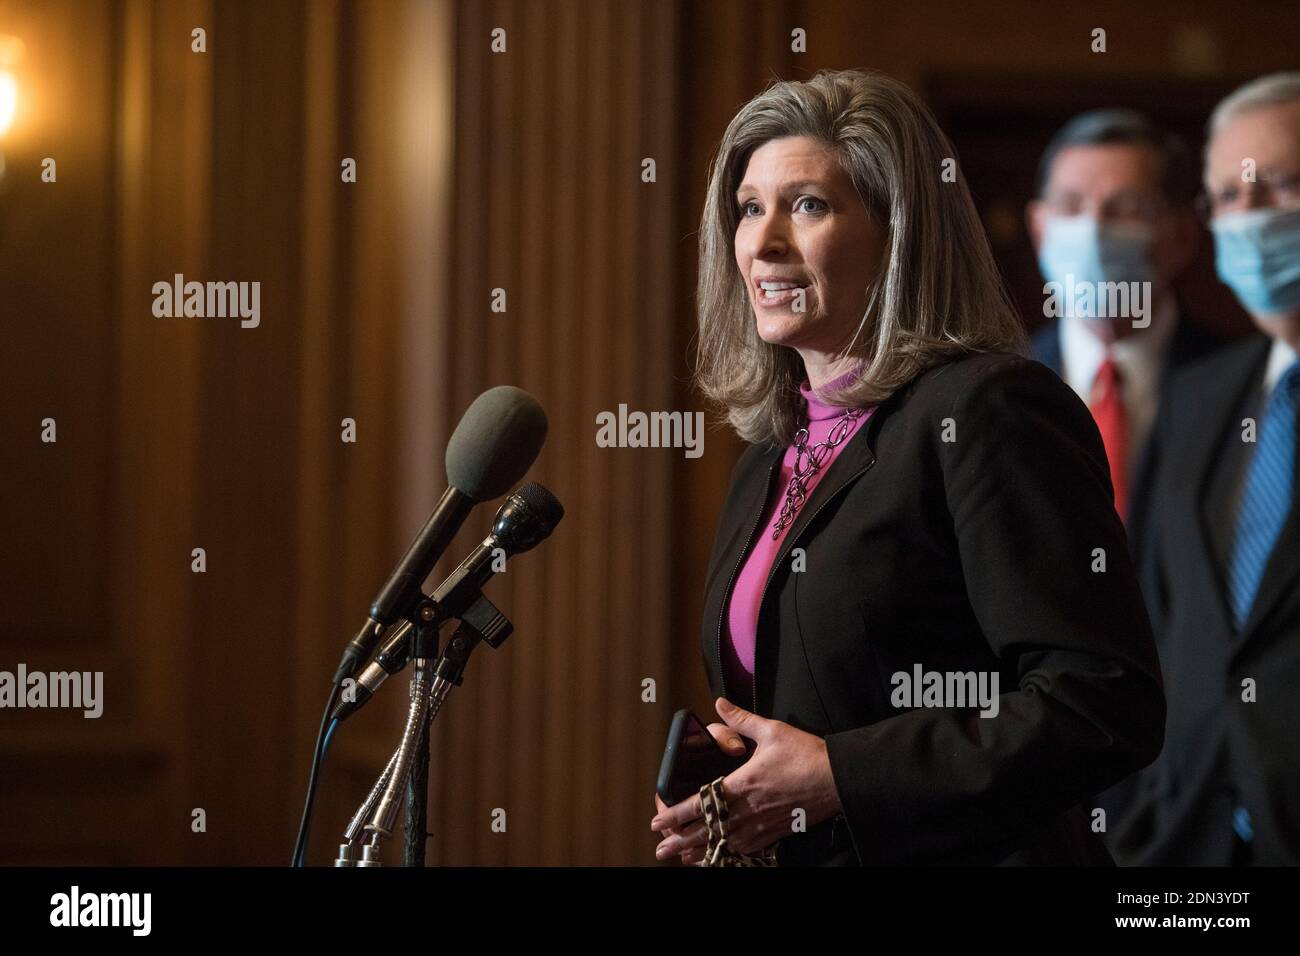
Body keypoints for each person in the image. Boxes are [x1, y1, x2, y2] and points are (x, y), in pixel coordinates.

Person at [649, 69, 1165, 866]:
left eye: (809, 205)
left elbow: (1102, 702)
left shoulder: (989, 409)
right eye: (750, 207)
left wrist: (839, 776)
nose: (764, 240)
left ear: (898, 234)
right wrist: (742, 782)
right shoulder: (771, 448)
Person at [1114, 73, 1300, 866]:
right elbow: (1151, 629)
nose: (1250, 217)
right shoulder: (1198, 398)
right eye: (1229, 195)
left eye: (1282, 185)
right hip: (1186, 851)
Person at [1027, 109, 1220, 550]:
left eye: (1128, 208)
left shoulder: (1237, 383)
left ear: (1183, 237)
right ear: (1039, 230)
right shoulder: (996, 381)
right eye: (1071, 206)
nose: (1093, 229)